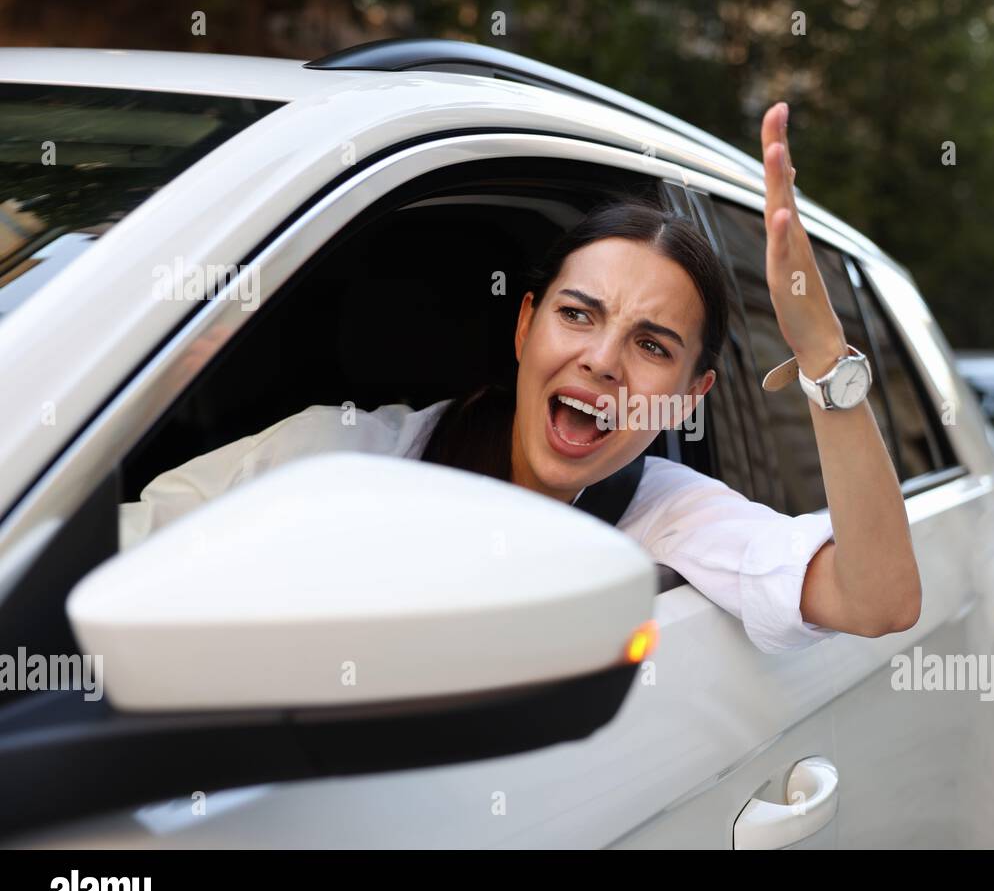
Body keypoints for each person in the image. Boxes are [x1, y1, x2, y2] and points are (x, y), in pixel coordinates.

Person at [120, 102, 921, 654]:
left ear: (690, 394)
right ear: (523, 324)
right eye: (578, 314)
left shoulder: (668, 515)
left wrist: (820, 350)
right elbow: (112, 559)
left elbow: (878, 597)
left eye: (651, 344)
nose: (602, 359)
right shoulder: (350, 456)